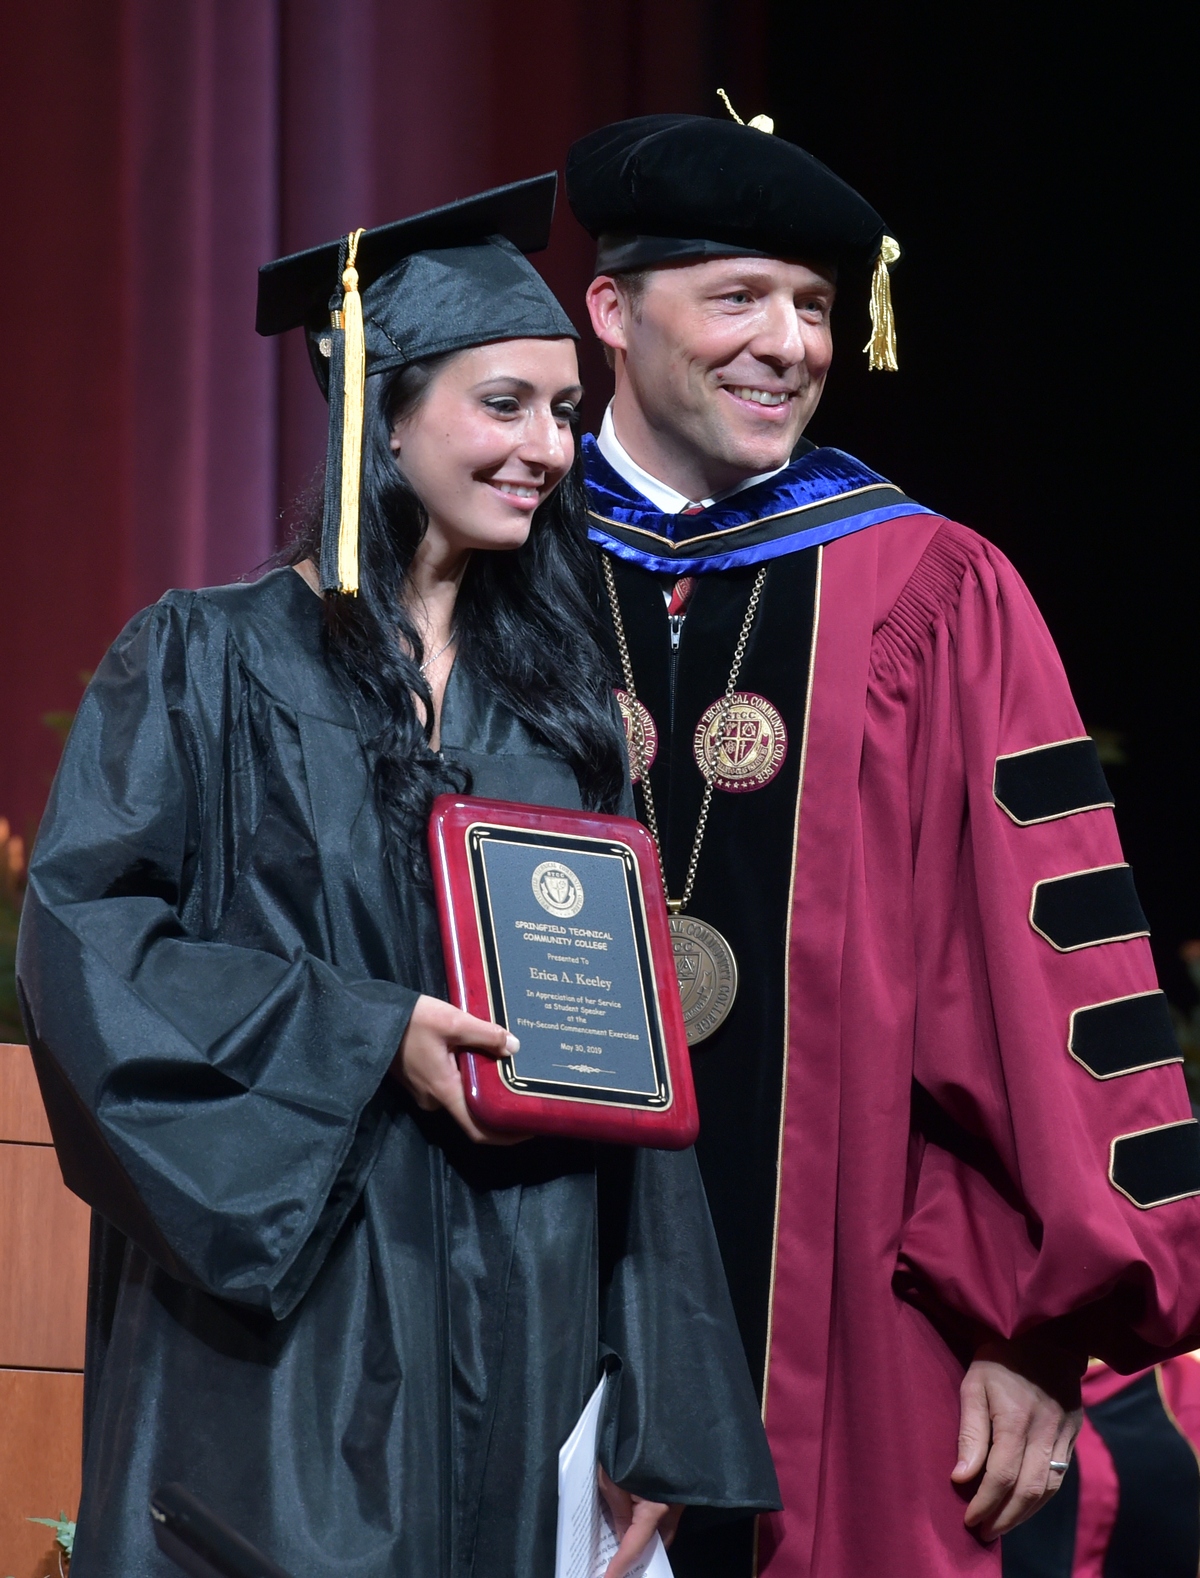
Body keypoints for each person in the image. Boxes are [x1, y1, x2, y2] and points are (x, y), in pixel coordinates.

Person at [15, 176, 778, 1578]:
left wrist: (659, 1407)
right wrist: (373, 1038)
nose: (547, 447)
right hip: (297, 1312)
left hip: (534, 1308)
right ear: (386, 405)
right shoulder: (204, 663)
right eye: (504, 405)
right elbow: (87, 948)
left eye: (561, 410)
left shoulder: (559, 714)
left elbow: (631, 1071)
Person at [564, 111, 1200, 1577]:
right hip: (508, 1330)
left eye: (814, 308)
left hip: (853, 1339)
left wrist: (1031, 1329)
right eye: (739, 298)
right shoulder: (502, 568)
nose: (786, 343)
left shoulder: (932, 590)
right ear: (610, 311)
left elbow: (1044, 993)